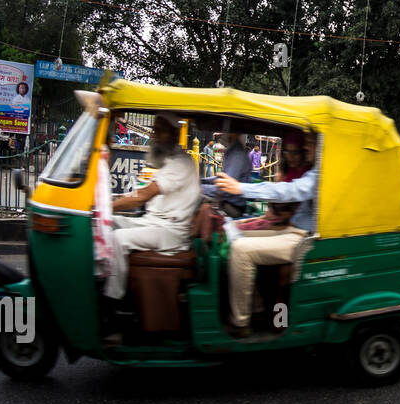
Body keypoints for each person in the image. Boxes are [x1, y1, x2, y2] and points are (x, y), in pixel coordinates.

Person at [215, 132, 319, 337]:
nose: (306, 149)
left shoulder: (318, 174)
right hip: (291, 229)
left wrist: (240, 188)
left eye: (309, 145)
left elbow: (288, 191)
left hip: (303, 237)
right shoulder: (307, 171)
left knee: (240, 250)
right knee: (233, 234)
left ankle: (241, 322)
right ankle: (255, 308)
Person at [103, 114, 203, 300]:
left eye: (159, 131)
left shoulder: (181, 163)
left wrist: (107, 207)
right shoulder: (170, 160)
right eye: (154, 130)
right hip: (155, 222)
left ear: (173, 134)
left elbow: (144, 195)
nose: (154, 135)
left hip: (171, 232)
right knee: (108, 224)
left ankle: (113, 298)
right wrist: (111, 203)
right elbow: (141, 194)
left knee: (118, 238)